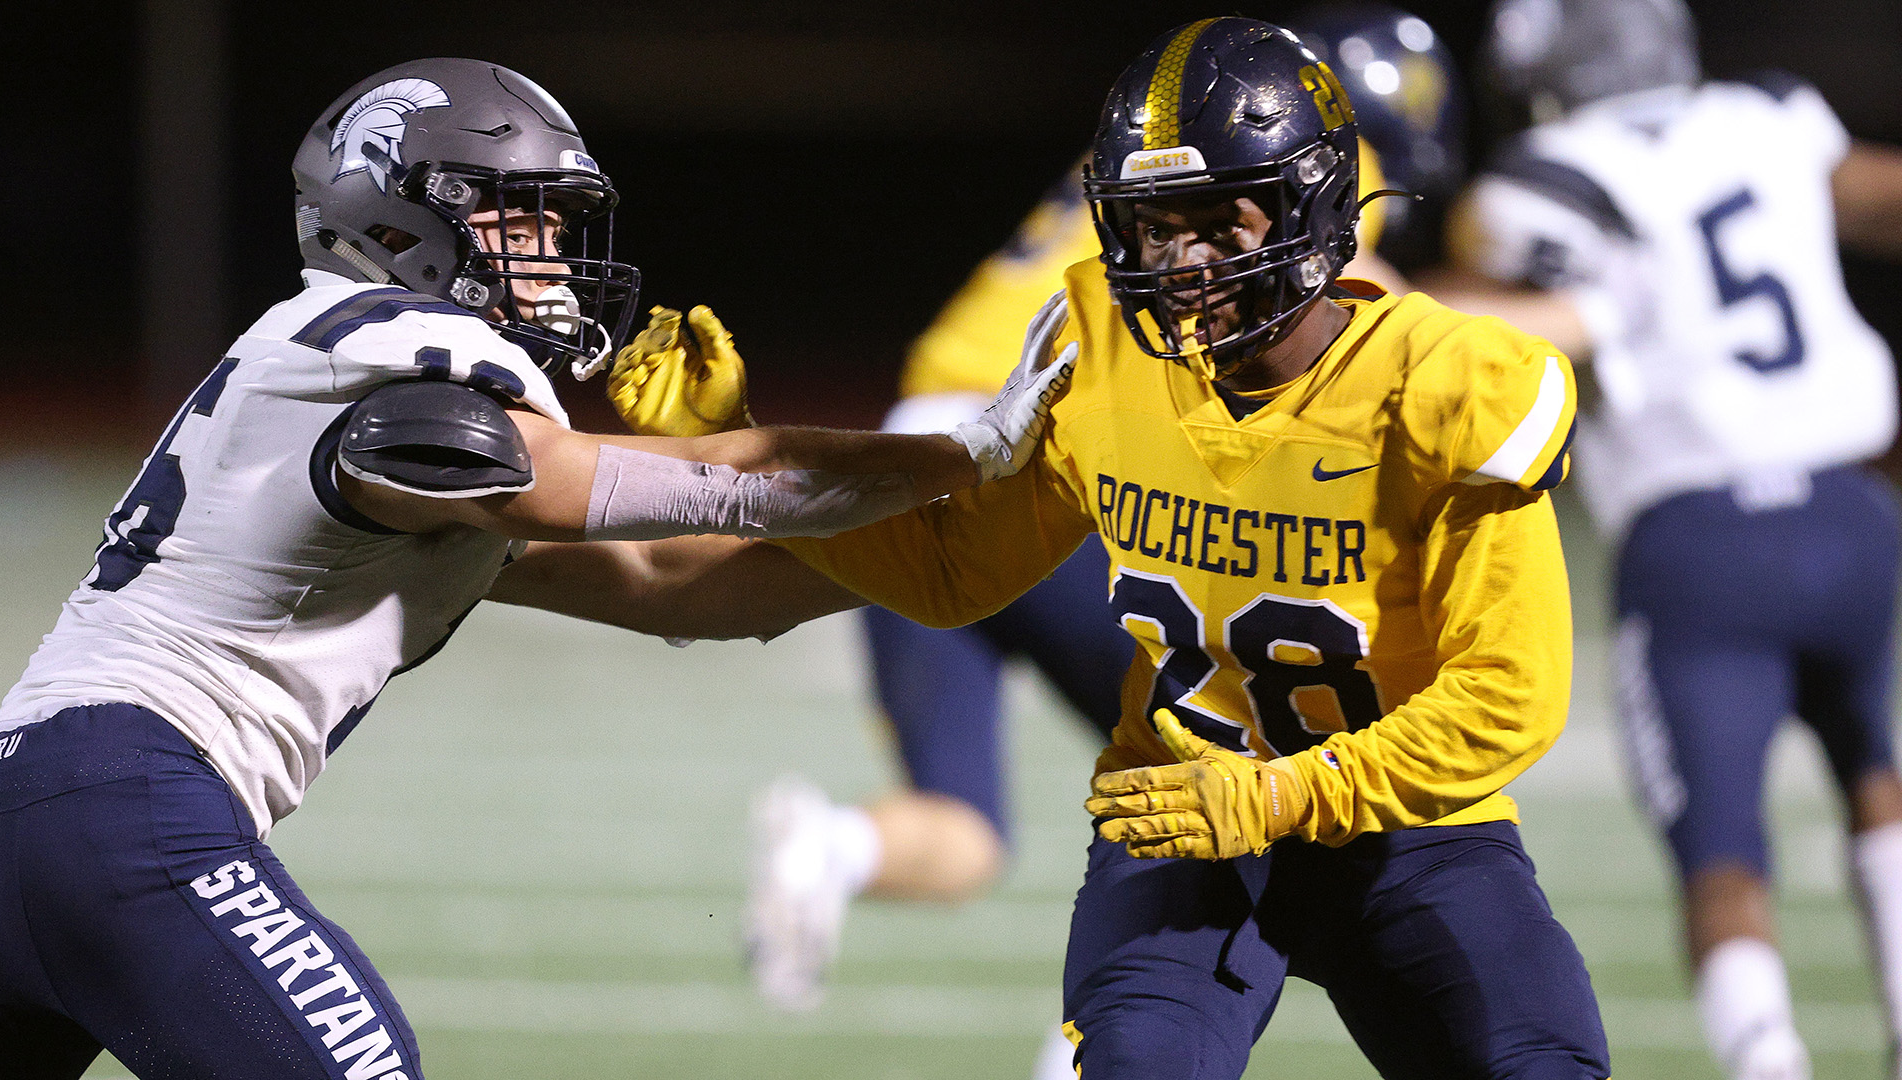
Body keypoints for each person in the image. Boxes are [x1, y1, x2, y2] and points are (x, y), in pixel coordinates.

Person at [0, 57, 1072, 1080]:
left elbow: (683, 585)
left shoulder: (373, 417)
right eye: (517, 210)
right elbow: (712, 486)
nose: (550, 248)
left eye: (555, 216)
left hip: (23, 808)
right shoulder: (385, 352)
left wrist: (976, 539)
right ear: (398, 211)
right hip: (125, 807)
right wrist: (961, 454)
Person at [612, 18, 1610, 1077]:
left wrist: (1280, 795)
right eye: (1151, 225)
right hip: (1180, 809)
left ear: (1310, 207)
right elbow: (955, 573)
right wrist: (737, 460)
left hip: (1409, 827)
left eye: (1218, 223)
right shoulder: (1099, 346)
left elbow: (1510, 692)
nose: (1180, 263)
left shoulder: (1447, 383)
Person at [1429, 1, 1902, 1076]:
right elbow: (1872, 195)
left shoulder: (1544, 179)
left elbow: (1499, 316)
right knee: (1876, 774)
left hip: (1698, 538)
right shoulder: (1767, 116)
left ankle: (1769, 1062)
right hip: (1851, 514)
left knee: (1722, 851)